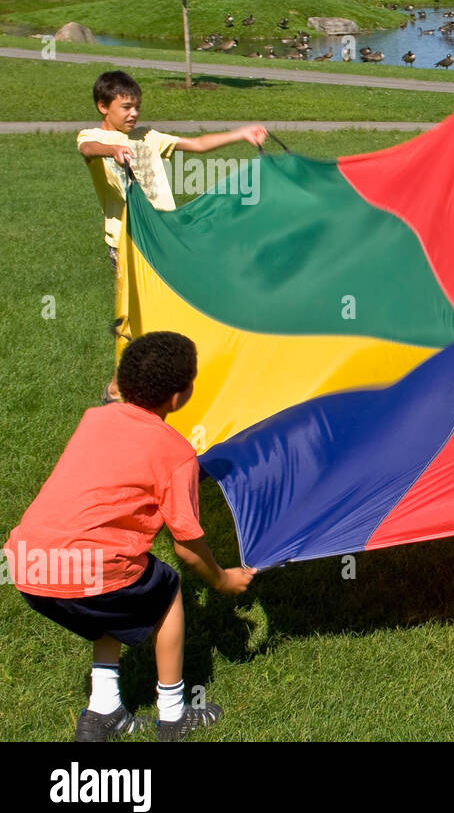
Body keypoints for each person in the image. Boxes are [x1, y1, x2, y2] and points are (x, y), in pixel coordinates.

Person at [3, 332, 256, 741]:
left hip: (28, 566)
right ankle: (173, 715)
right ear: (180, 397)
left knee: (114, 584)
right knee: (167, 587)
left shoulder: (95, 418)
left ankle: (103, 711)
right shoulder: (176, 454)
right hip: (84, 570)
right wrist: (223, 579)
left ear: (120, 385)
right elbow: (186, 546)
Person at [79, 70, 266, 401]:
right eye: (125, 107)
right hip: (128, 243)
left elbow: (196, 144)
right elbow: (90, 149)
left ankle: (155, 380)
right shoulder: (93, 137)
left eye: (136, 106)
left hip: (163, 238)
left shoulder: (148, 139)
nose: (133, 113)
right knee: (136, 315)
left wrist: (241, 133)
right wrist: (113, 151)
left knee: (160, 311)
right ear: (102, 106)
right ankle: (117, 389)